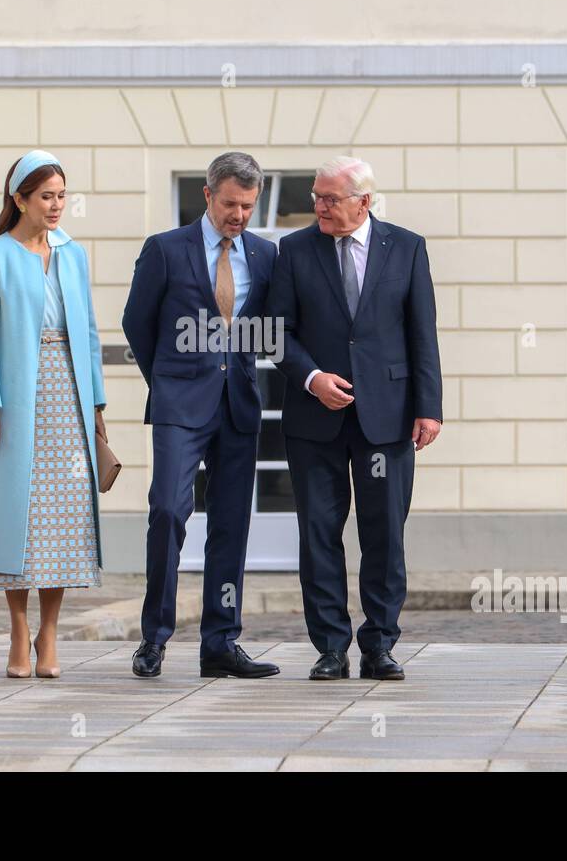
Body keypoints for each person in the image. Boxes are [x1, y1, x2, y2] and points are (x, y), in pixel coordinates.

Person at [267, 157, 442, 681]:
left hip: (387, 419)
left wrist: (429, 407)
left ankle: (380, 645)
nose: (318, 206)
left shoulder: (406, 247)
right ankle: (329, 647)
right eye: (316, 196)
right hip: (313, 417)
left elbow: (422, 333)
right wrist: (311, 377)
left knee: (384, 532)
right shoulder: (294, 250)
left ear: (363, 201)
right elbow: (275, 331)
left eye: (329, 198)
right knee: (319, 532)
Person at [121, 152, 280, 679]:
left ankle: (220, 642)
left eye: (248, 206)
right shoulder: (165, 249)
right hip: (179, 406)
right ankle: (154, 638)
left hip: (238, 405)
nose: (239, 215)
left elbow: (271, 326)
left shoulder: (264, 254)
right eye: (231, 203)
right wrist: (168, 380)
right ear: (208, 195)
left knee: (231, 526)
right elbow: (137, 323)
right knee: (168, 510)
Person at [0, 150, 107, 679]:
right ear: (20, 199)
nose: (57, 205)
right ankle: (19, 630)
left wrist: (98, 405)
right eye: (47, 196)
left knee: (63, 519)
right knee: (15, 516)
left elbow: (86, 332)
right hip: (16, 396)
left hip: (69, 394)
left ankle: (51, 634)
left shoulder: (74, 254)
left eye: (62, 195)